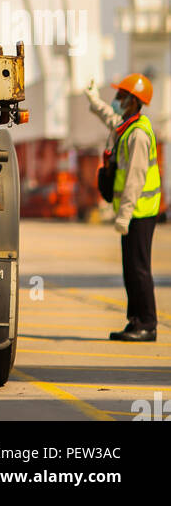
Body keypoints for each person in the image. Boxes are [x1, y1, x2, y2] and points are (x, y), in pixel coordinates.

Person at [85, 73, 161, 342]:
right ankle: (135, 320)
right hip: (133, 213)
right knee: (130, 269)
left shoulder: (138, 135)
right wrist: (94, 101)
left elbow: (135, 180)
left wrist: (125, 215)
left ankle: (148, 325)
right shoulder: (127, 126)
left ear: (132, 101)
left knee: (139, 268)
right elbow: (109, 117)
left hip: (139, 212)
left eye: (120, 96)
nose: (115, 100)